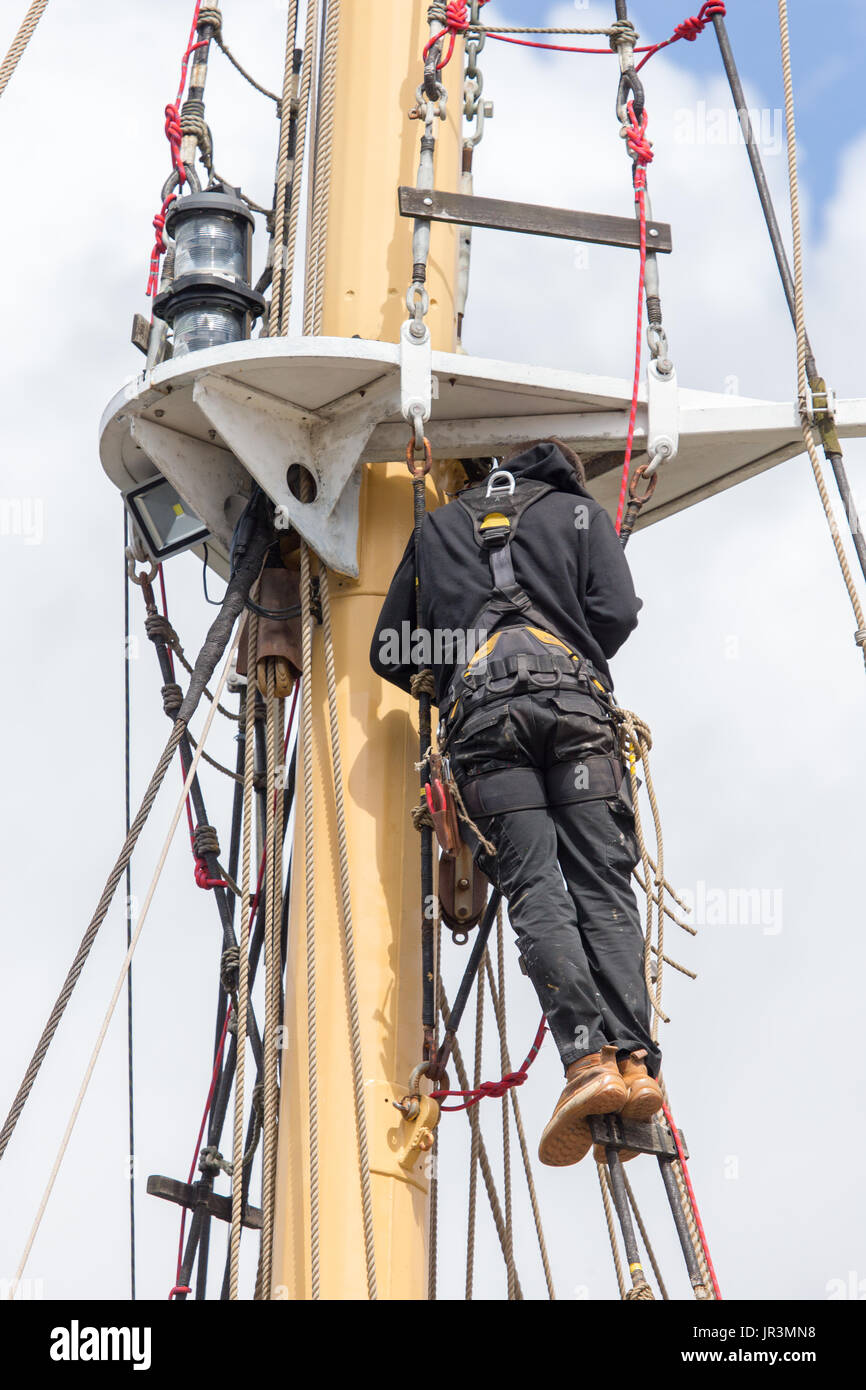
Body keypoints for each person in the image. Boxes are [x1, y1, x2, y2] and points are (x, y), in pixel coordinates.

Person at [370, 439, 661, 1166]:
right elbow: (617, 612)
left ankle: (587, 1062)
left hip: (488, 726)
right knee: (602, 886)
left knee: (536, 887)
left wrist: (456, 668)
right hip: (579, 714)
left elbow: (389, 649)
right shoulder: (576, 512)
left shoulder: (436, 529)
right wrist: (565, 651)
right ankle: (635, 1062)